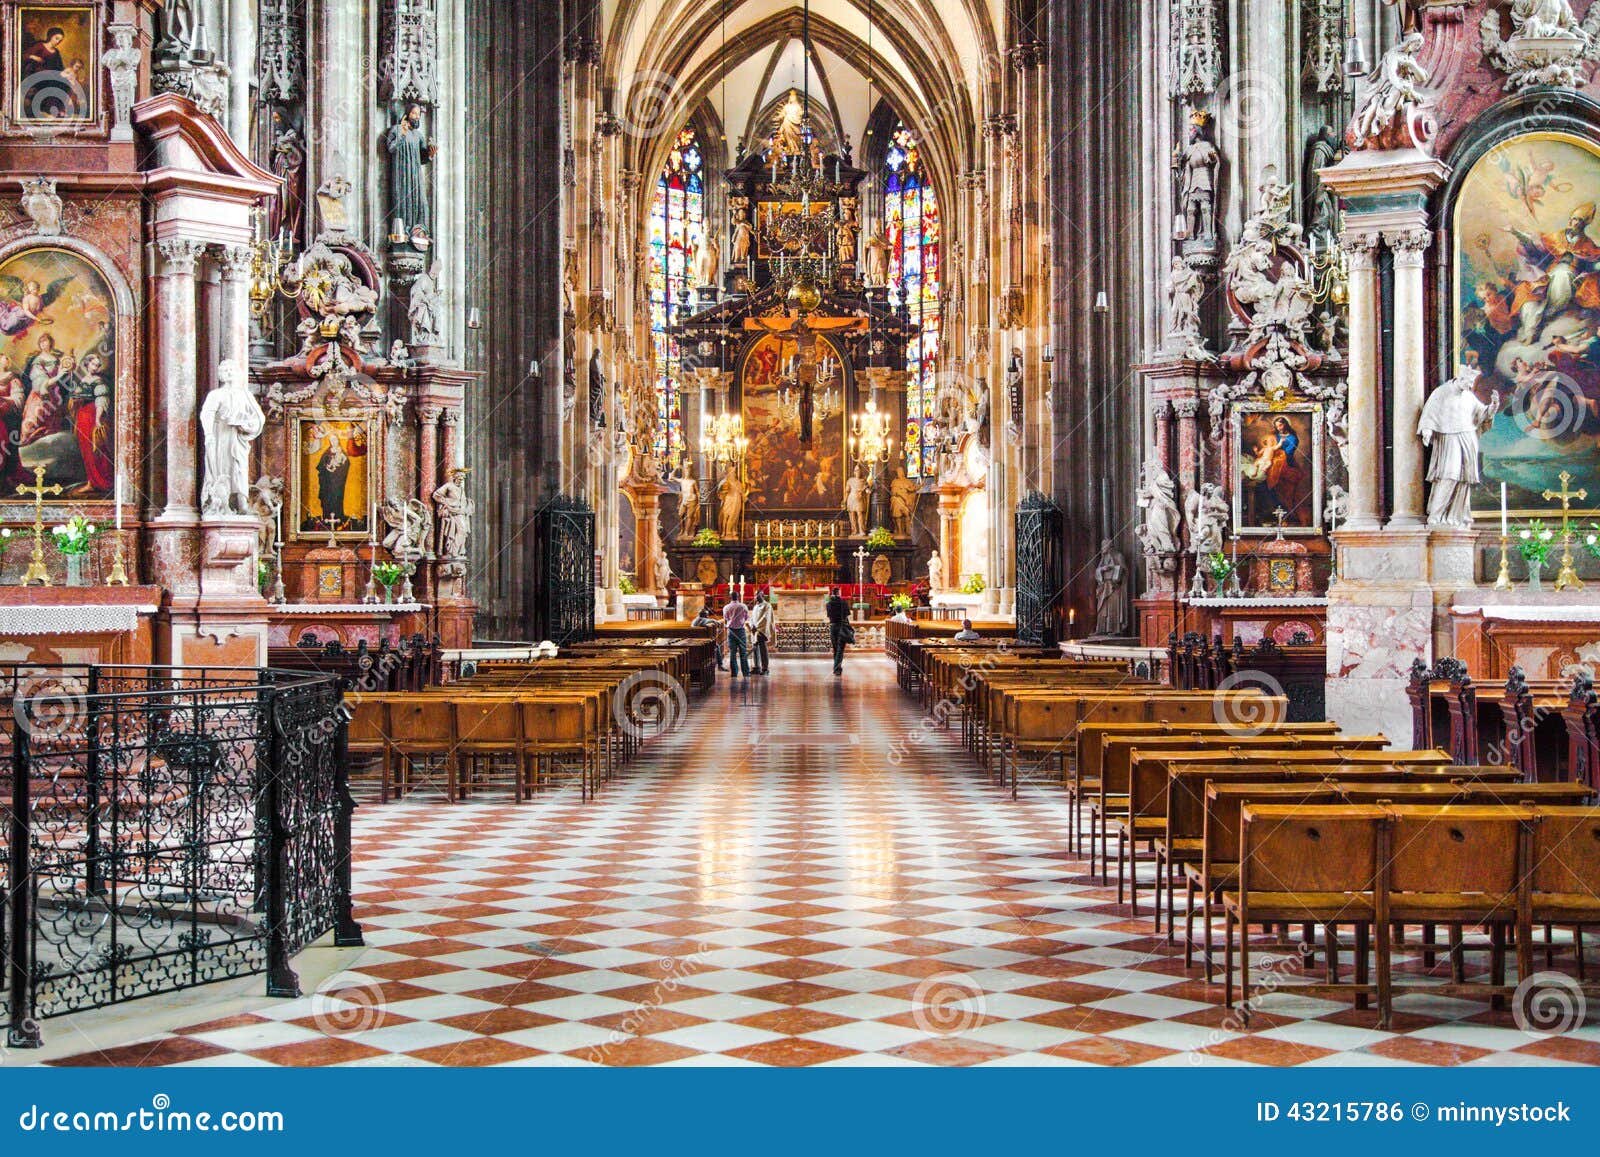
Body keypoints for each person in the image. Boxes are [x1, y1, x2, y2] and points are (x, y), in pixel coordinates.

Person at [723, 592, 752, 679]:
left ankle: (734, 673)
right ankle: (746, 673)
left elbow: (726, 618)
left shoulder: (726, 607)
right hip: (740, 631)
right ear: (738, 597)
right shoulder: (743, 606)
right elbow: (746, 618)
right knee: (743, 652)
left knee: (732, 653)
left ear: (730, 597)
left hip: (731, 631)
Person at [825, 587, 852, 676]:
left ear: (832, 593)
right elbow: (846, 615)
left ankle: (838, 667)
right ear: (839, 593)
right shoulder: (843, 603)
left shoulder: (828, 604)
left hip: (833, 627)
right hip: (841, 626)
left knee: (836, 648)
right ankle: (837, 668)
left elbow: (829, 615)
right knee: (840, 649)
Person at [749, 591, 776, 676]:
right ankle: (756, 667)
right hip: (755, 630)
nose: (755, 597)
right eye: (755, 595)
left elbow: (766, 618)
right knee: (755, 648)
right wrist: (751, 625)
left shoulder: (767, 605)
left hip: (762, 630)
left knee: (763, 650)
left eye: (757, 595)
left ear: (762, 596)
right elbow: (752, 618)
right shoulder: (755, 606)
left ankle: (765, 668)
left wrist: (756, 626)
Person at [692, 605, 725, 671]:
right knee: (717, 646)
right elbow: (707, 622)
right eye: (707, 615)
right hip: (703, 642)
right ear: (706, 615)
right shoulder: (704, 620)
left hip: (693, 641)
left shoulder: (694, 620)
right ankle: (720, 665)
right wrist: (715, 621)